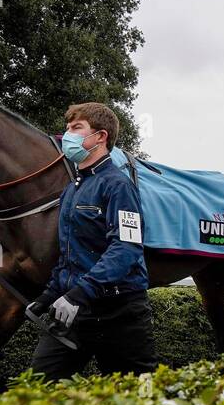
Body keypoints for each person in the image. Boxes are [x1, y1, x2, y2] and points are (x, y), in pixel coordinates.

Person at [28, 102, 159, 381]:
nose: (67, 136)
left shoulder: (119, 186)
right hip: (76, 313)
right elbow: (69, 255)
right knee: (34, 388)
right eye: (67, 129)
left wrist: (78, 294)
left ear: (100, 137)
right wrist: (49, 295)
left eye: (76, 128)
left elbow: (127, 247)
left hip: (121, 315)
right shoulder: (71, 190)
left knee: (141, 401)